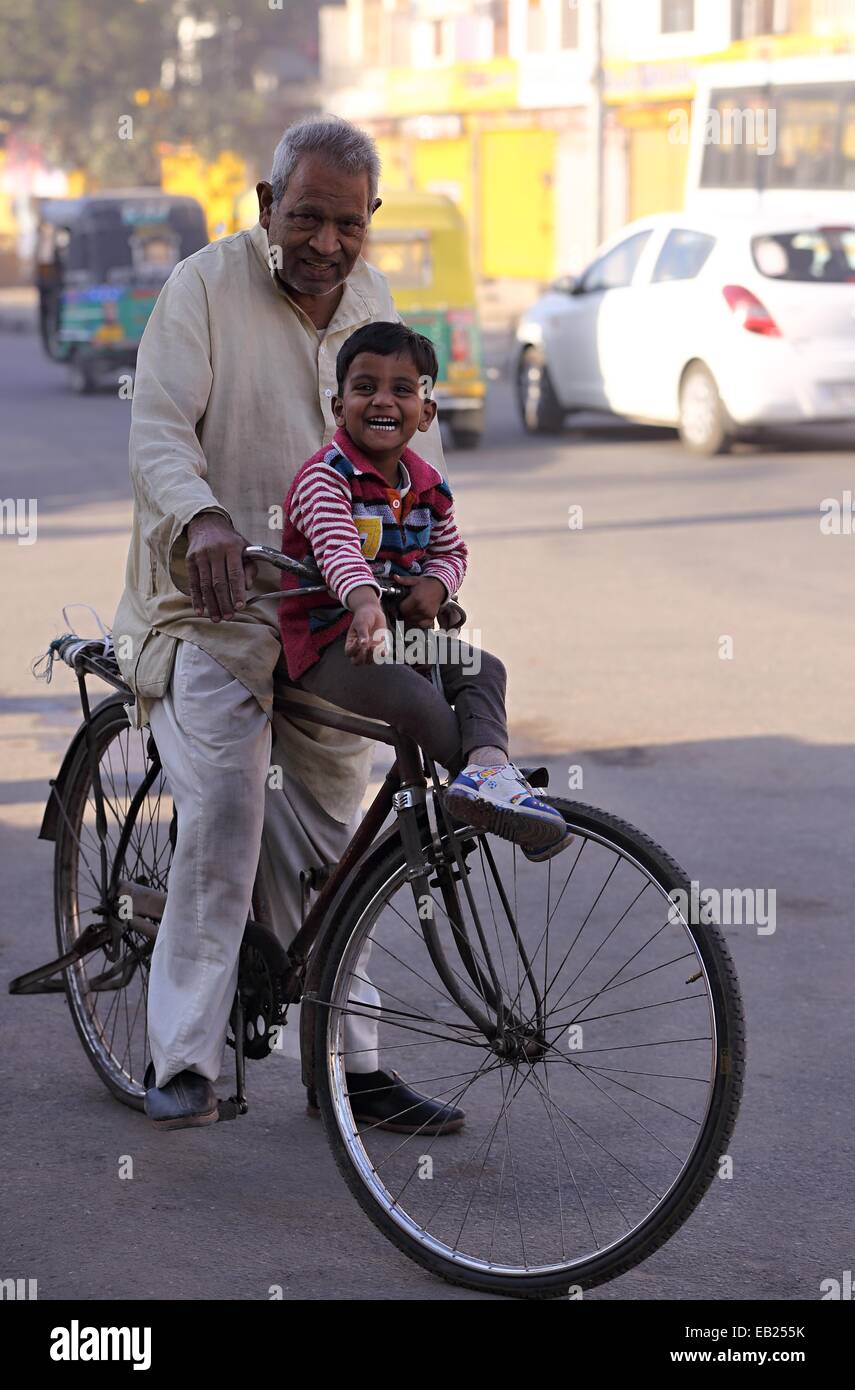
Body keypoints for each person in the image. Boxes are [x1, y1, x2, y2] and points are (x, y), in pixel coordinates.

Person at [113, 115, 462, 1134]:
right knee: (226, 816)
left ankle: (352, 1068)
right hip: (210, 610)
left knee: (337, 840)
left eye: (347, 224)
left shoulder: (375, 302)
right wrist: (203, 516)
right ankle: (184, 1059)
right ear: (267, 206)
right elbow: (158, 431)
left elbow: (402, 447)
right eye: (306, 216)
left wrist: (418, 565)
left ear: (370, 221)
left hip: (326, 615)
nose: (325, 242)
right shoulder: (203, 289)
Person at [279, 320, 571, 856]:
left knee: (485, 669)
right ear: (339, 408)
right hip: (330, 642)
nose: (382, 400)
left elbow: (452, 552)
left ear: (427, 412)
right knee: (414, 697)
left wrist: (437, 585)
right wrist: (365, 604)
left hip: (396, 638)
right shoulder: (325, 478)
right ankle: (499, 800)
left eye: (402, 389)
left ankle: (489, 771)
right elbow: (338, 548)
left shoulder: (429, 485)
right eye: (364, 387)